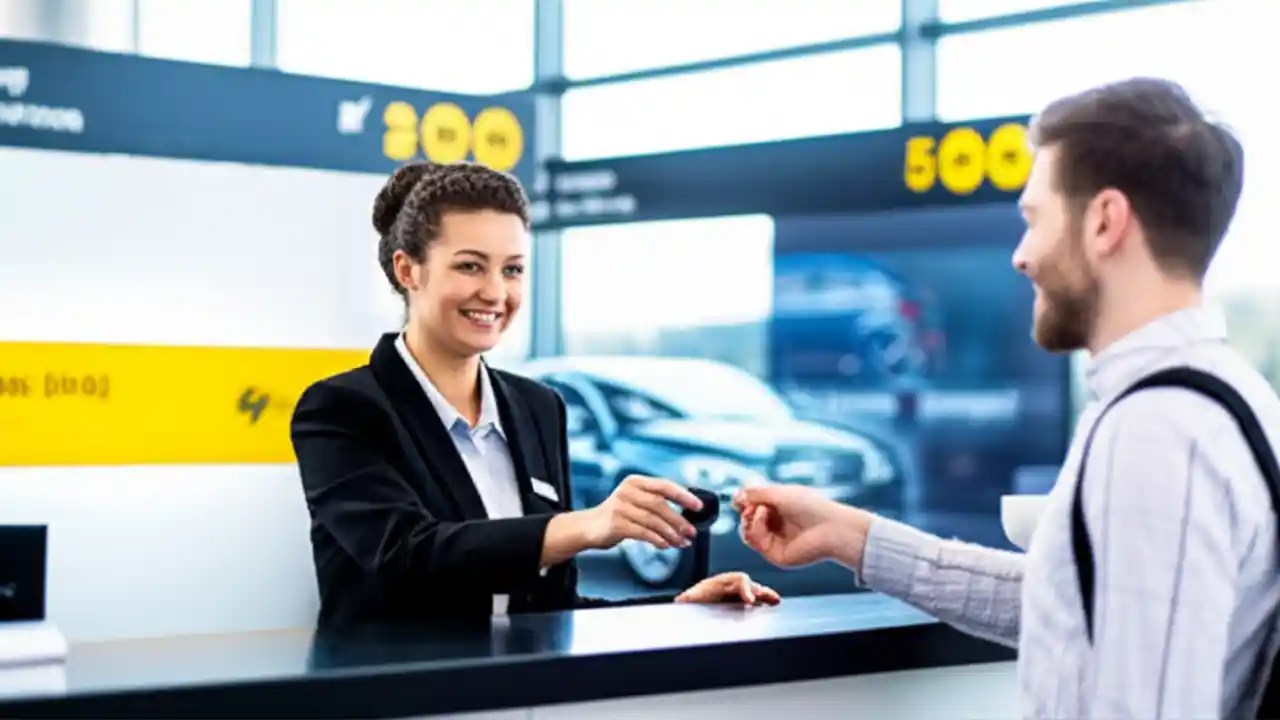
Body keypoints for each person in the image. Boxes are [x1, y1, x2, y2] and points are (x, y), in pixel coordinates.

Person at [734, 77, 1280, 719]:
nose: (1021, 257)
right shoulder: (1222, 397)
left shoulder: (1156, 432)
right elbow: (1069, 605)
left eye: (1034, 219)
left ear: (1105, 221)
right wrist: (851, 535)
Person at [291, 161, 778, 630]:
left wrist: (679, 608)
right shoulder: (342, 409)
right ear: (408, 270)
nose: (494, 292)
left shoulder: (538, 408)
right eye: (470, 266)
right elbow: (408, 554)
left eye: (513, 270)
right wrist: (588, 525)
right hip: (404, 697)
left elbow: (549, 609)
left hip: (522, 695)